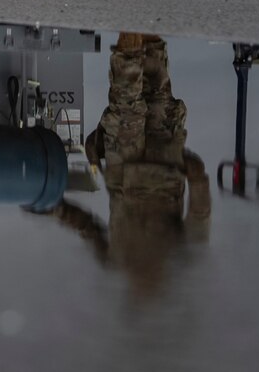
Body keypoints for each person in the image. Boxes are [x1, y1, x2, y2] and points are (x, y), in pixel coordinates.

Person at [48, 32, 210, 302]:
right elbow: (200, 215)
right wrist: (194, 175)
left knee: (128, 95)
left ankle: (133, 19)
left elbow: (88, 228)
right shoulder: (177, 258)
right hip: (162, 162)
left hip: (129, 164)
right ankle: (143, 14)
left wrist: (54, 207)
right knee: (155, 81)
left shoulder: (117, 262)